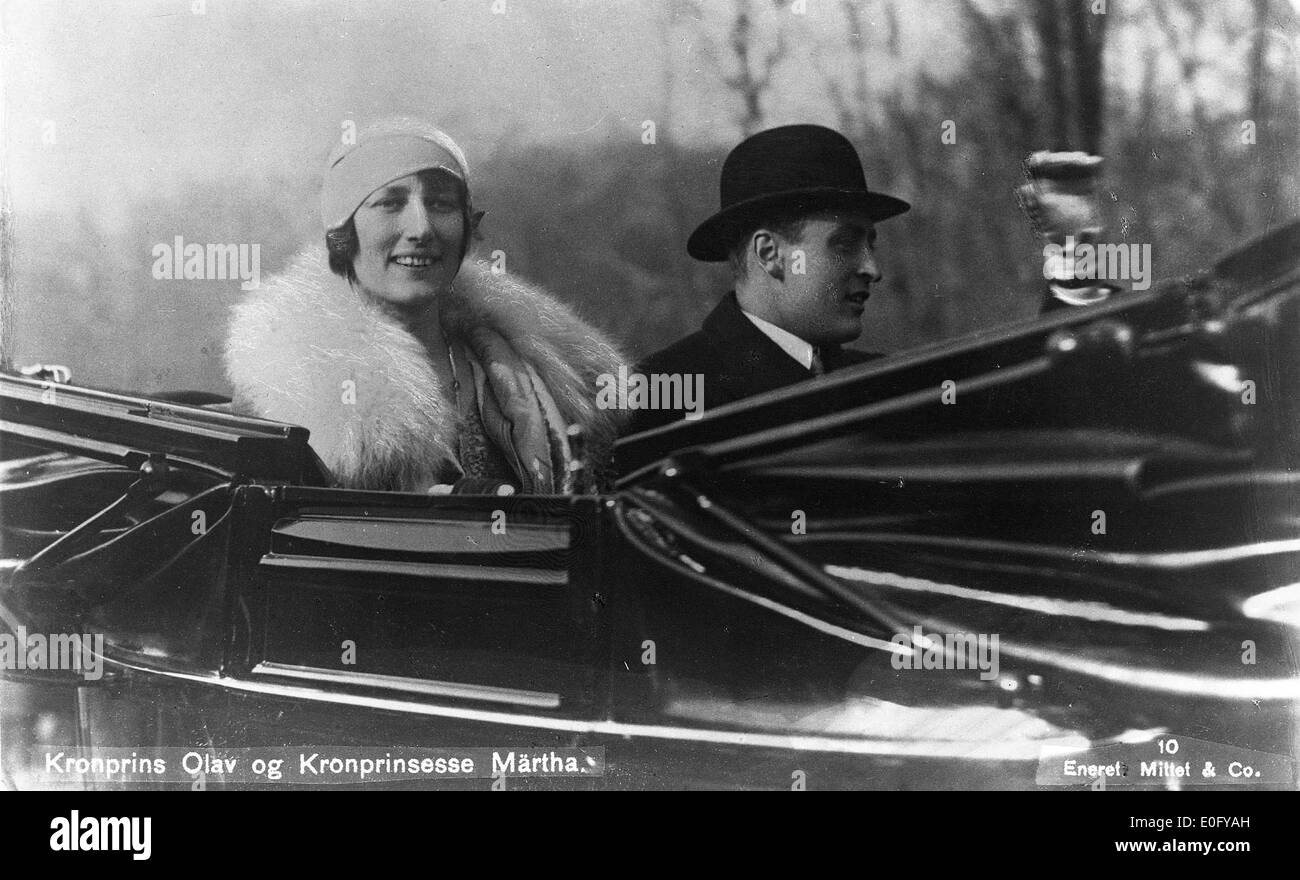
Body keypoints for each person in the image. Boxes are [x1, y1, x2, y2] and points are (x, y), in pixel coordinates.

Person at [623, 124, 1114, 435]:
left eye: (871, 243)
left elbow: (1042, 409)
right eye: (844, 243)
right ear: (771, 254)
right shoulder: (660, 396)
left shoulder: (881, 385)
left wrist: (1077, 248)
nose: (872, 269)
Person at [225, 118, 627, 493]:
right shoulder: (287, 393)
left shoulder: (534, 369)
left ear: (469, 227)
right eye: (389, 203)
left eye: (440, 204)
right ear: (344, 234)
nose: (421, 228)